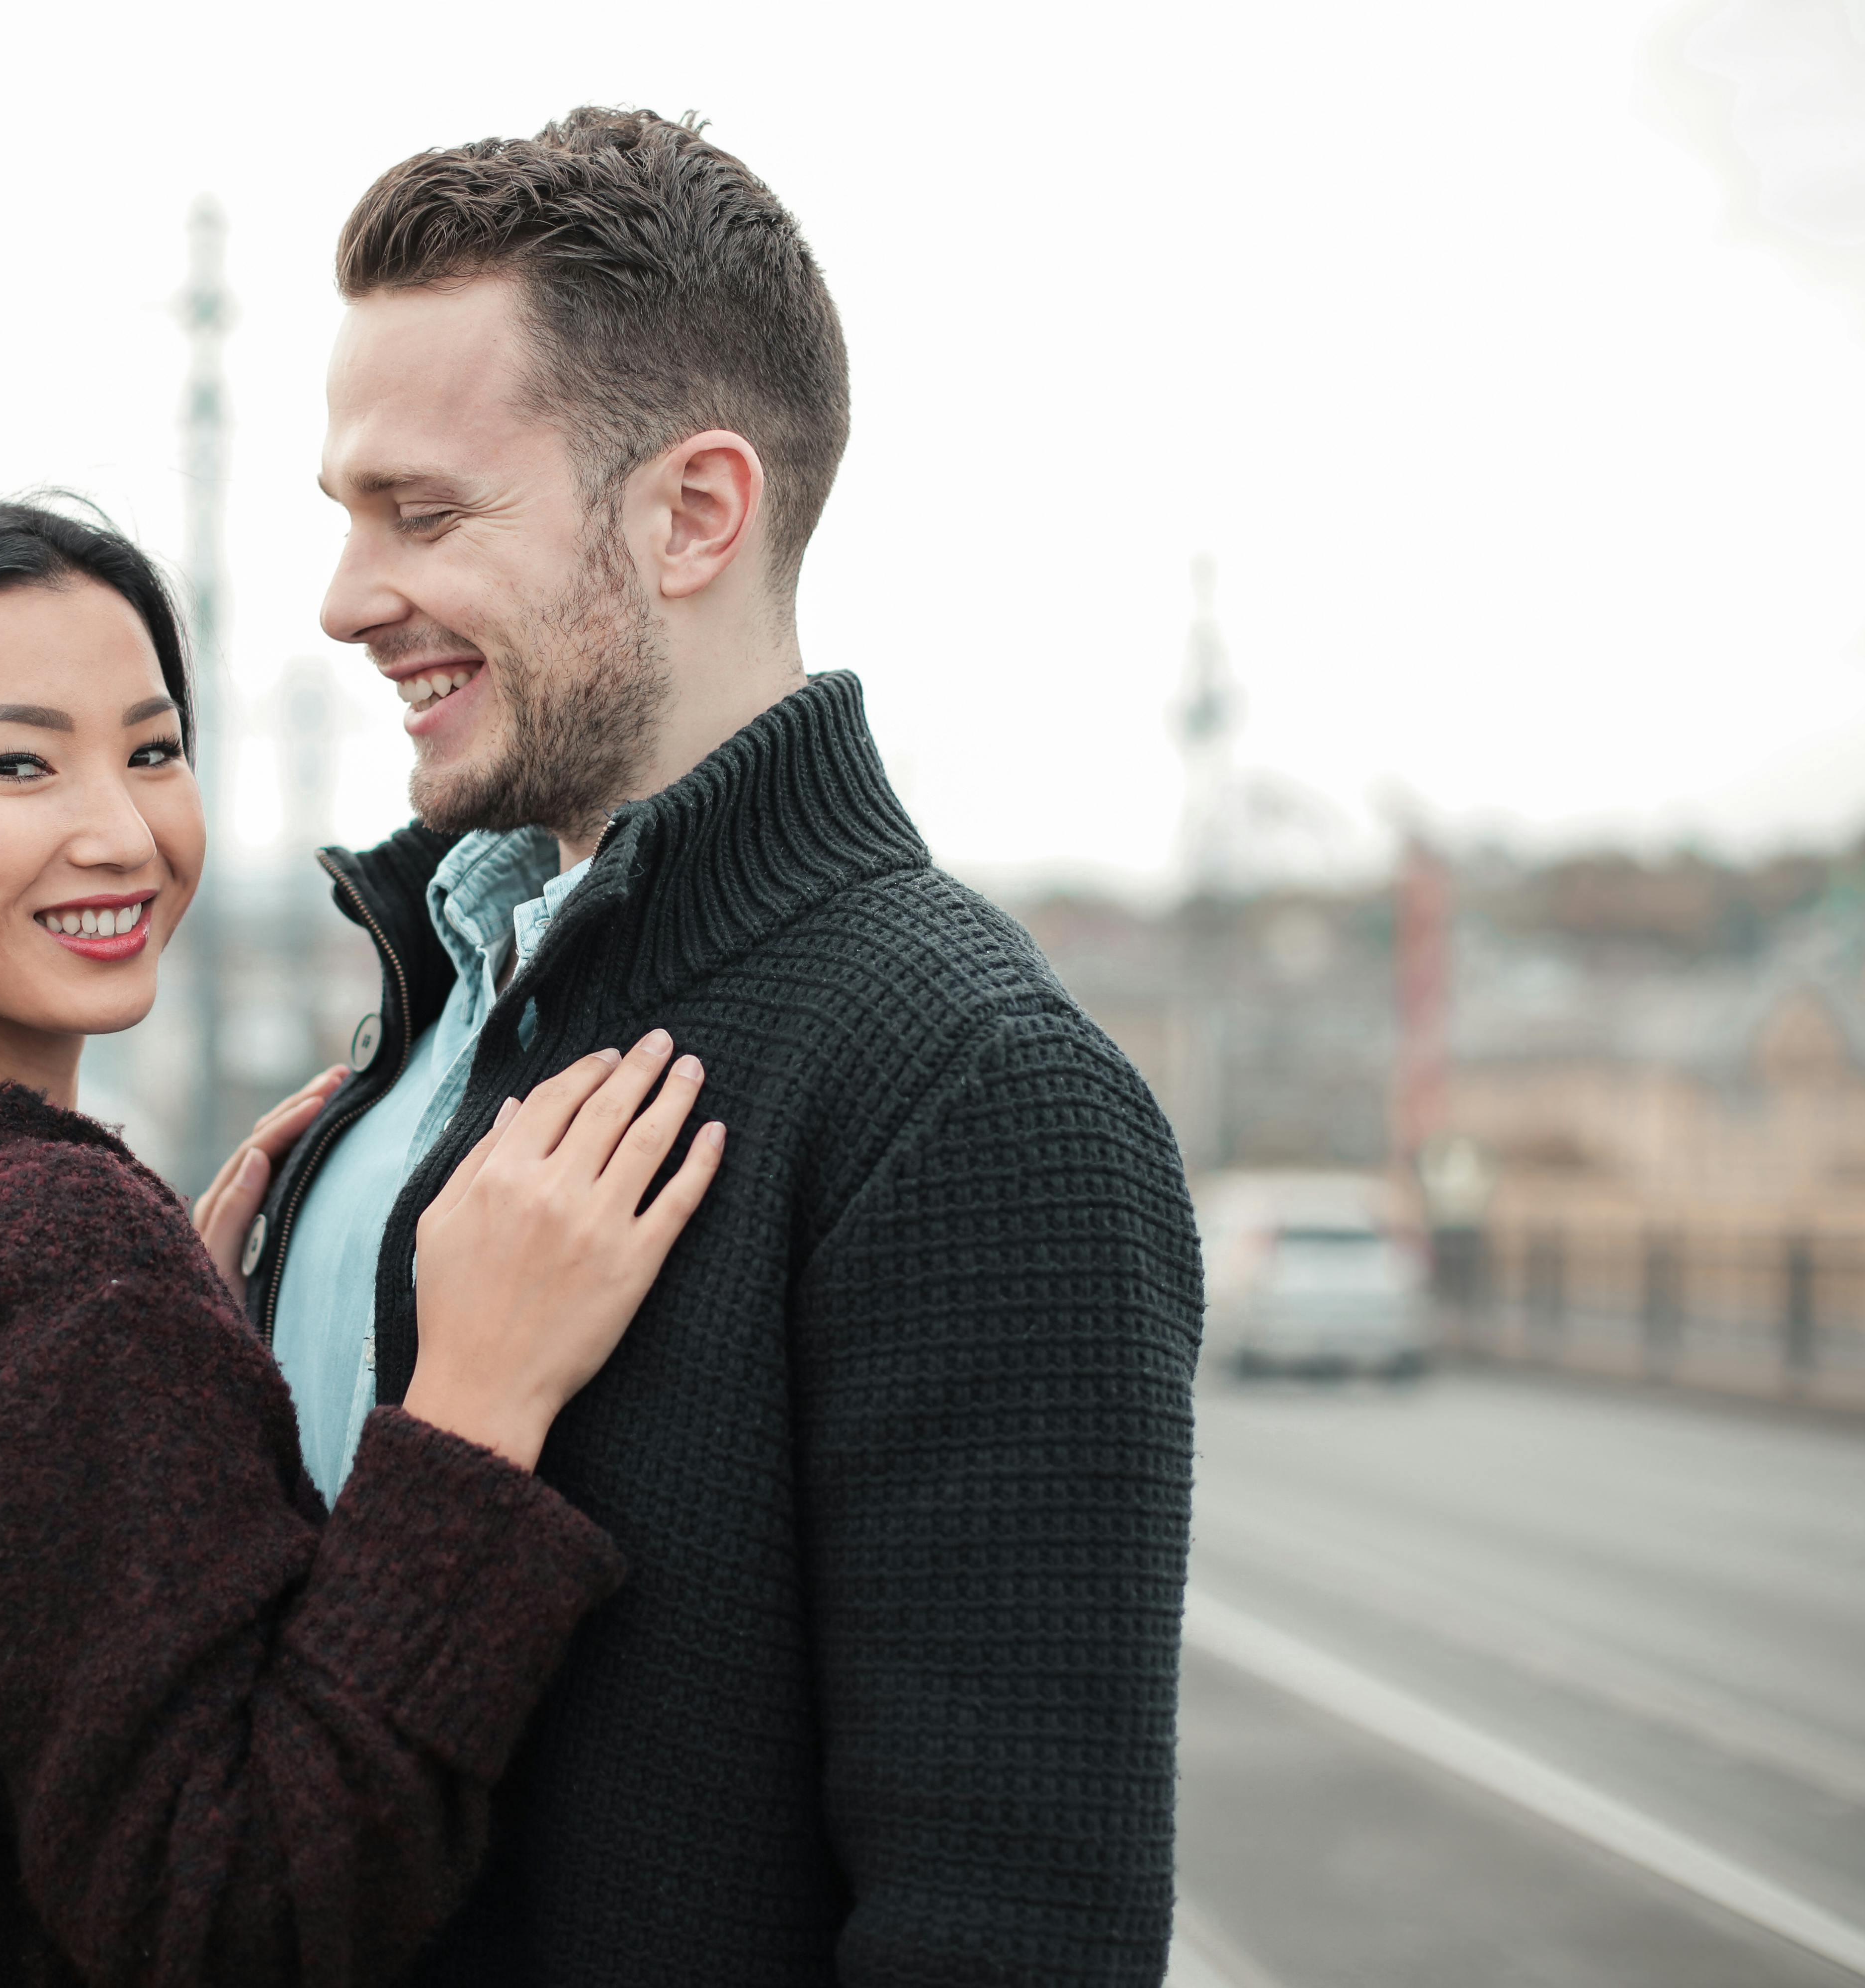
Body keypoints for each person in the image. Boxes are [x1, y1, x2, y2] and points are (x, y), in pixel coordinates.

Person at [236, 112, 1205, 1985]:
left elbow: (1012, 1928)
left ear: (694, 512)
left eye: (423, 514)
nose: (347, 599)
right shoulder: (436, 1010)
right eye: (345, 515)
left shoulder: (975, 1094)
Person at [0, 498, 727, 1987]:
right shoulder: (52, 1260)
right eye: (16, 763)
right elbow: (239, 1912)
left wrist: (172, 1360)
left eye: (153, 749)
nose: (122, 831)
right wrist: (477, 1407)